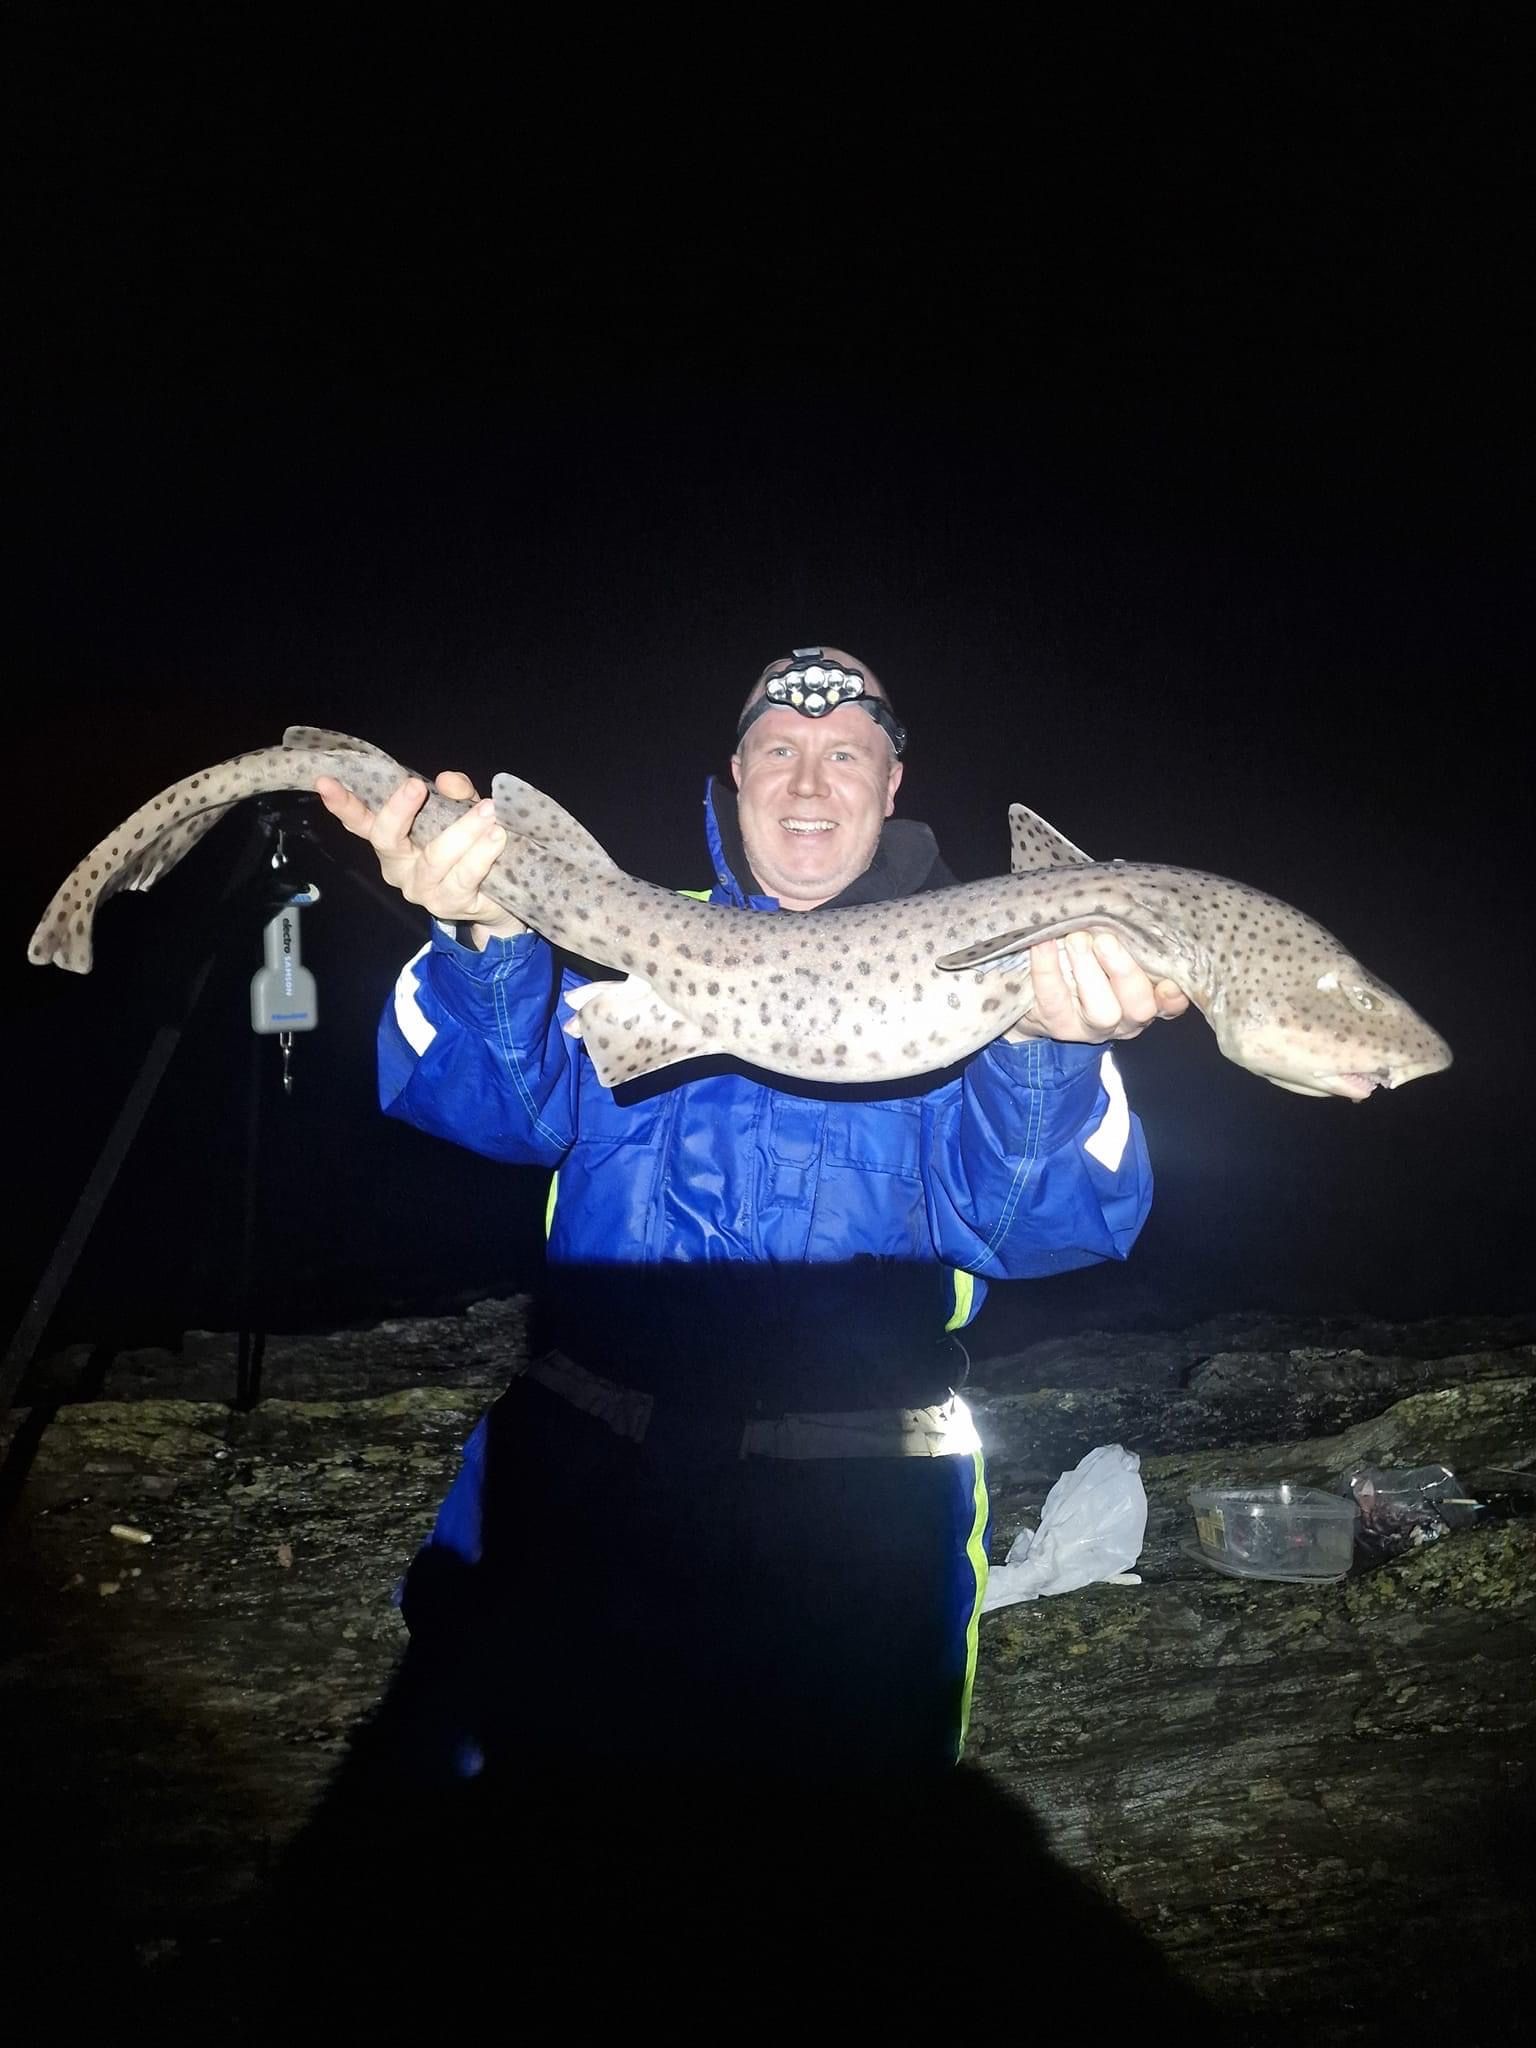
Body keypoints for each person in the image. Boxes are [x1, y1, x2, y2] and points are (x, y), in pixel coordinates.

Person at [315, 646, 1186, 1790]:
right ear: (737, 776)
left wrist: (1048, 1048)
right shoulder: (630, 933)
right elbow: (490, 1105)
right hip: (577, 1496)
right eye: (779, 751)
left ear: (892, 785)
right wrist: (486, 938)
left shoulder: (1014, 971)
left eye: (844, 755)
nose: (809, 782)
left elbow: (1042, 1222)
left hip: (858, 1532)